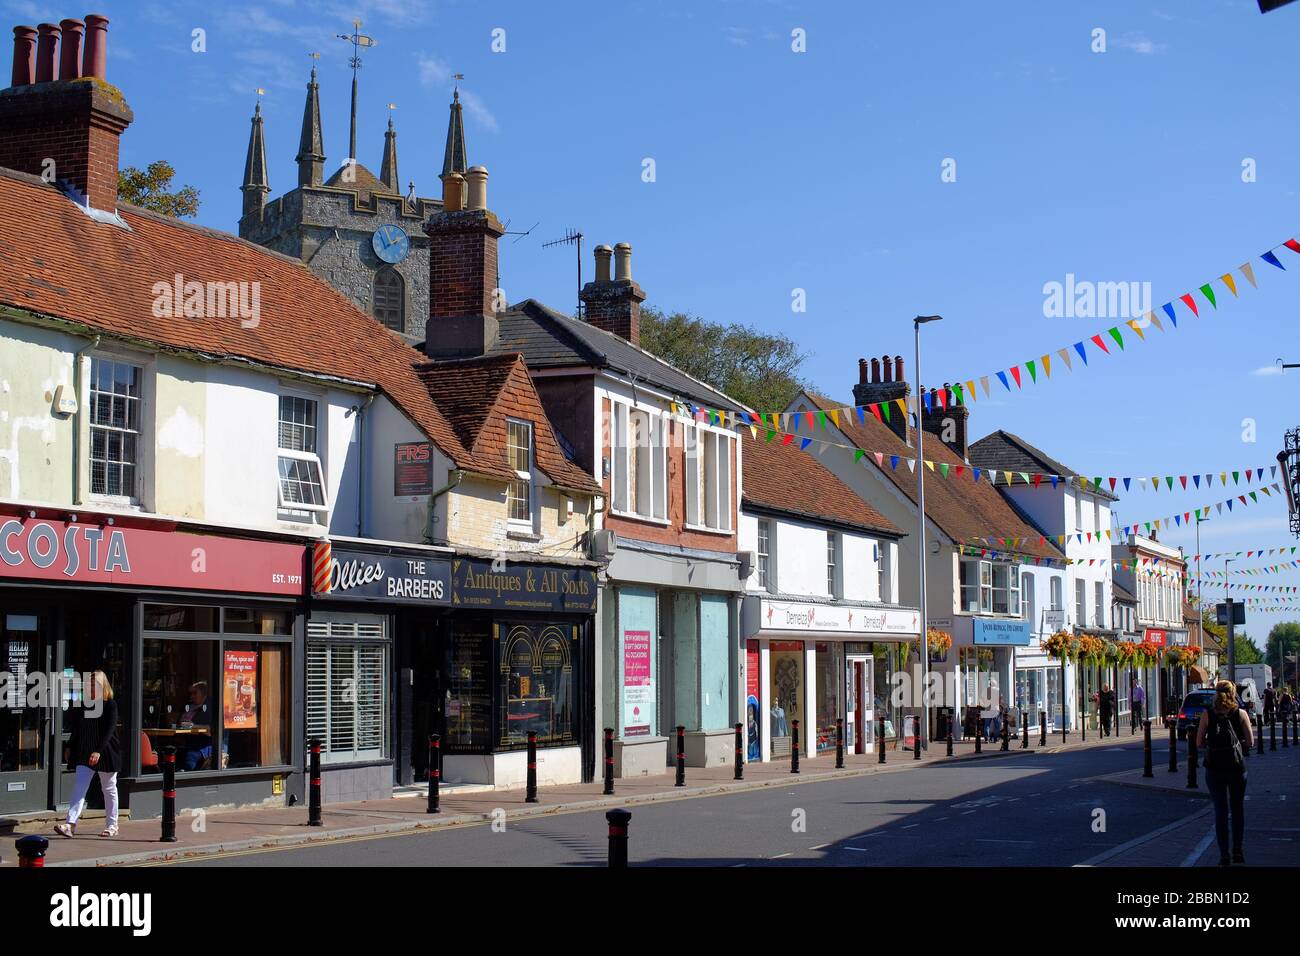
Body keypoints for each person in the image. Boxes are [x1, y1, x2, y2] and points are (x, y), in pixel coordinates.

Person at [54, 671, 120, 839]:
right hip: (84, 751)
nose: (91, 687)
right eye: (89, 684)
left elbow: (109, 730)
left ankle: (112, 825)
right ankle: (70, 825)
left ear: (103, 686)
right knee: (80, 786)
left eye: (94, 684)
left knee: (109, 789)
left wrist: (98, 750)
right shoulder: (83, 704)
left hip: (105, 751)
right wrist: (69, 745)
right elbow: (77, 728)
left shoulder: (110, 705)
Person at [1197, 680, 1254, 866]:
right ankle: (1238, 851)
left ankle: (1224, 856)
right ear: (1233, 693)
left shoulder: (1208, 714)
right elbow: (1251, 742)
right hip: (1237, 767)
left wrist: (1210, 746)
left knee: (1220, 811)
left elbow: (1198, 742)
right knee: (1237, 809)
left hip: (1214, 768)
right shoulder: (1241, 713)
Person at [180, 681, 213, 771]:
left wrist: (193, 726)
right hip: (188, 742)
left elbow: (210, 730)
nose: (192, 696)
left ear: (203, 694)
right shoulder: (190, 706)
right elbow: (182, 723)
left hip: (203, 746)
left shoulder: (209, 707)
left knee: (190, 756)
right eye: (190, 694)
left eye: (195, 693)